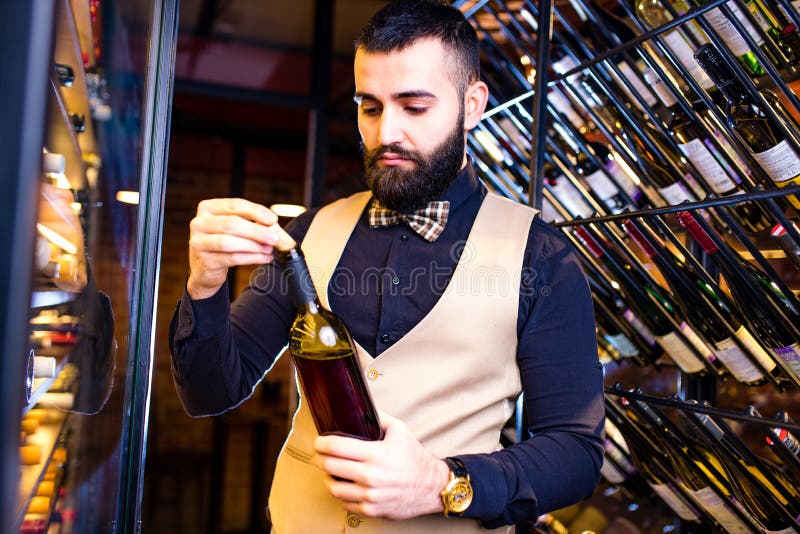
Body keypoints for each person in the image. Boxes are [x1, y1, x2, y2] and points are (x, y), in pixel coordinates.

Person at [169, 0, 604, 531]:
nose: (385, 134)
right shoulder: (304, 235)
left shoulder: (542, 256)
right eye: (370, 107)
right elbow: (211, 392)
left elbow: (576, 453)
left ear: (472, 105)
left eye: (413, 107)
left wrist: (442, 483)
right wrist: (205, 282)